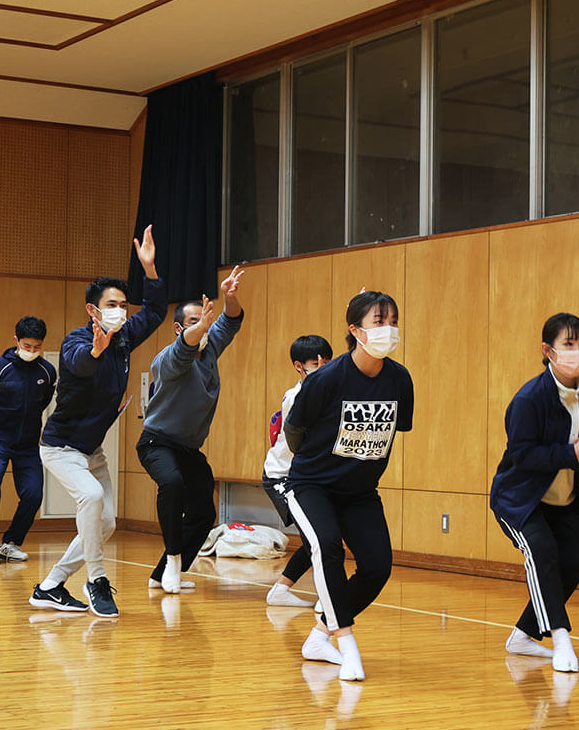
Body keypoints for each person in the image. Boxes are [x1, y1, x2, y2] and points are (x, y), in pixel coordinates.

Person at [27, 225, 166, 618]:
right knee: (90, 498)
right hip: (59, 448)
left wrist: (150, 270)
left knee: (104, 523)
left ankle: (50, 585)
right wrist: (94, 349)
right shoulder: (76, 341)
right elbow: (79, 365)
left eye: (123, 304)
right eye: (112, 304)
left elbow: (155, 311)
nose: (120, 310)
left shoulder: (124, 337)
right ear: (93, 309)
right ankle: (97, 579)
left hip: (91, 449)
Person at [282, 291, 414, 681]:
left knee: (377, 567)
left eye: (393, 321)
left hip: (360, 492)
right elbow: (294, 431)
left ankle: (320, 636)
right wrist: (316, 464)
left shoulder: (400, 379)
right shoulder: (326, 379)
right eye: (379, 321)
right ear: (355, 331)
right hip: (311, 485)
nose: (389, 329)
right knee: (326, 547)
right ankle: (347, 642)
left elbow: (392, 430)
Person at [489, 312, 579, 673]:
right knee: (542, 554)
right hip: (520, 501)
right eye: (568, 345)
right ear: (548, 350)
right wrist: (568, 453)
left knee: (572, 563)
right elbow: (523, 454)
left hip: (565, 499)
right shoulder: (529, 398)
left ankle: (523, 636)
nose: (578, 352)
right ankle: (561, 638)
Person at [138, 265, 246, 595]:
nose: (204, 328)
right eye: (194, 322)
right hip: (157, 442)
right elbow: (186, 347)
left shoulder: (210, 348)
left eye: (206, 321)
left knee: (203, 513)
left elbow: (232, 321)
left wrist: (229, 297)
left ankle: (163, 574)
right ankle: (172, 561)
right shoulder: (168, 359)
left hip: (189, 449)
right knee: (171, 483)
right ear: (177, 328)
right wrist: (198, 330)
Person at [0, 316, 57, 566]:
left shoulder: (47, 371)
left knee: (33, 494)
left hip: (29, 444)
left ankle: (10, 543)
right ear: (16, 341)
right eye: (27, 346)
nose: (31, 351)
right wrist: (0, 423)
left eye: (37, 346)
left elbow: (44, 401)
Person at [263, 334, 332, 608]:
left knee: (317, 536)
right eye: (315, 363)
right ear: (298, 366)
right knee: (316, 535)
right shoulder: (296, 397)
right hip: (282, 477)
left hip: (308, 477)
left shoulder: (328, 391)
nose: (322, 366)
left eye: (326, 361)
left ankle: (281, 590)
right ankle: (327, 599)